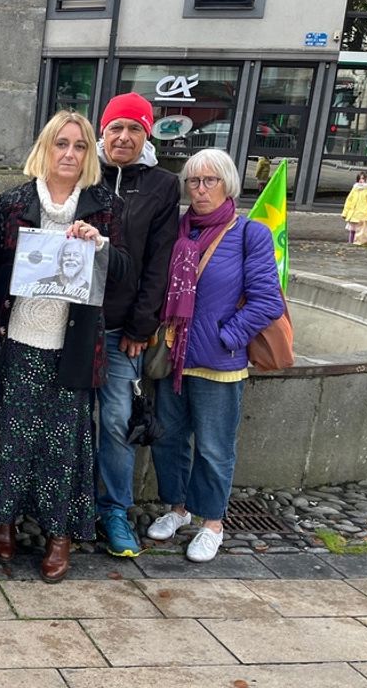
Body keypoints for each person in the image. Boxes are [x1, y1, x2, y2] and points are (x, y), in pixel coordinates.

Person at [0, 110, 129, 581]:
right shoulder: (15, 202)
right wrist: (19, 260)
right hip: (18, 336)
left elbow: (124, 271)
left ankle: (59, 535)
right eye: (61, 144)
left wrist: (98, 245)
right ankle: (4, 521)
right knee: (14, 436)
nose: (69, 153)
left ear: (88, 155)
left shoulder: (104, 205)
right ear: (45, 147)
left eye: (79, 146)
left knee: (64, 445)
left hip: (73, 343)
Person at [146, 149, 284, 563]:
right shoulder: (177, 231)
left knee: (213, 447)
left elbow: (267, 301)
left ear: (228, 186)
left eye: (210, 181)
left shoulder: (248, 234)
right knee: (169, 438)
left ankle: (212, 523)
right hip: (173, 357)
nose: (200, 189)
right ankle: (177, 509)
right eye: (193, 181)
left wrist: (228, 338)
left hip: (219, 363)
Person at [93, 92, 180, 558]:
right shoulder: (84, 171)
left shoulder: (162, 186)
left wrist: (140, 326)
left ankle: (115, 510)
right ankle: (66, 504)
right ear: (101, 131)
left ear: (146, 135)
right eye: (115, 128)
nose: (123, 137)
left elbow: (158, 262)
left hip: (120, 329)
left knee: (114, 421)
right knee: (64, 421)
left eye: (134, 129)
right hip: (71, 323)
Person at [342, 171, 367, 244]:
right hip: (353, 214)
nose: (361, 180)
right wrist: (345, 213)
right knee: (352, 230)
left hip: (363, 214)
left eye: (363, 179)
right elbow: (349, 201)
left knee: (360, 231)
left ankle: (358, 244)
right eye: (359, 179)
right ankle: (350, 243)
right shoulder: (355, 188)